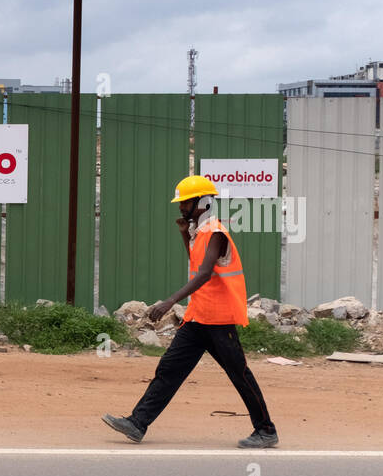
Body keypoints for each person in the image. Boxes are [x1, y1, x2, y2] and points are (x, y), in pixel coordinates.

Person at [102, 174, 278, 448]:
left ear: (204, 202)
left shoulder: (216, 232)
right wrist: (186, 234)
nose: (182, 208)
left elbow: (205, 274)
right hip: (198, 318)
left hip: (219, 320)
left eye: (186, 203)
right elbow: (196, 263)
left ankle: (266, 430)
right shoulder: (201, 233)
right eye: (182, 203)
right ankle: (138, 423)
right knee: (169, 369)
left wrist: (170, 301)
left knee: (239, 374)